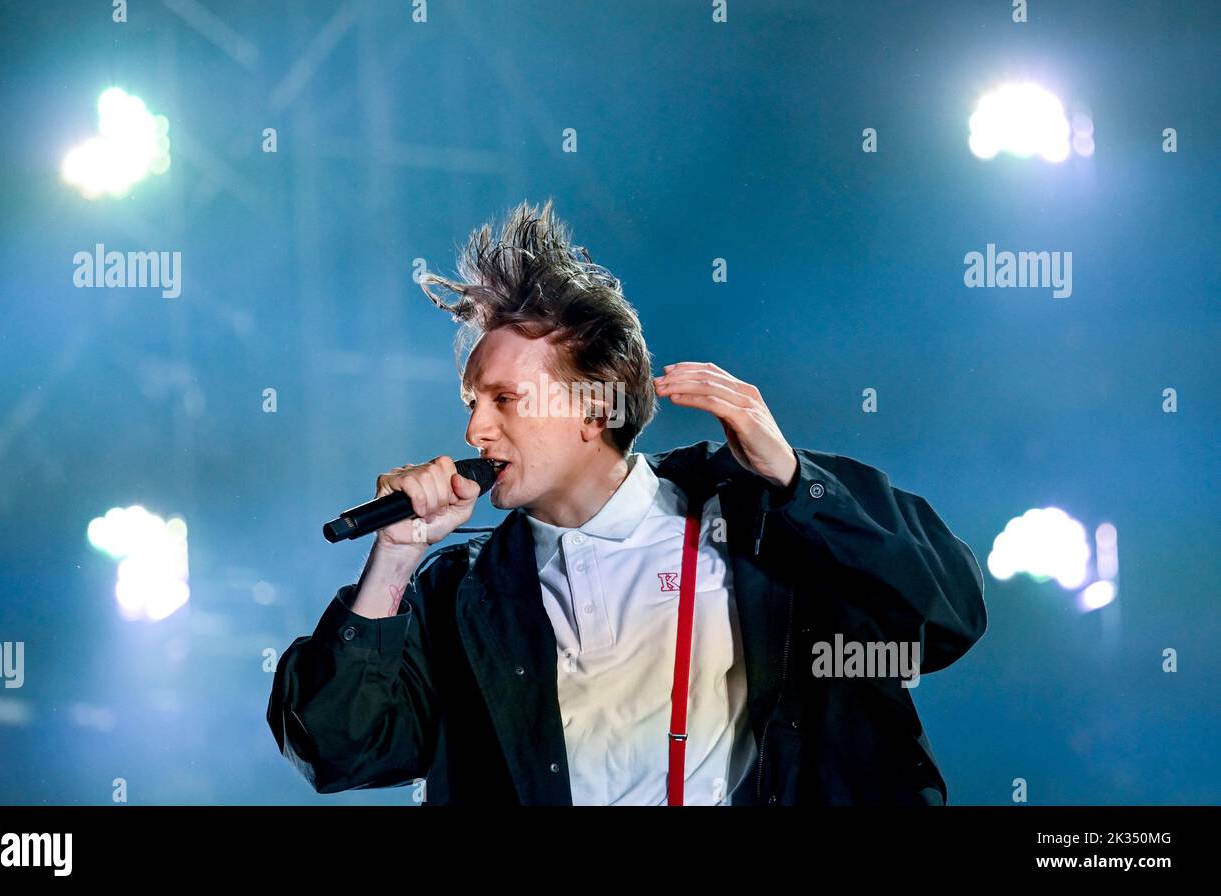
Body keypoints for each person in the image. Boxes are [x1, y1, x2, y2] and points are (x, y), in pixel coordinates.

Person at [267, 199, 987, 805]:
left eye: (505, 400)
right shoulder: (460, 594)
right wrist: (393, 560)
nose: (473, 429)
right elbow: (339, 750)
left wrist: (795, 478)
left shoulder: (759, 523)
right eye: (470, 402)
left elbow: (945, 621)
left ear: (592, 407)